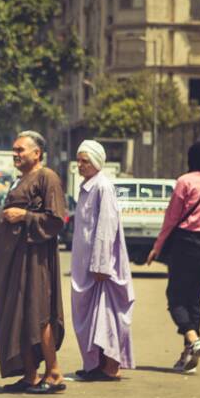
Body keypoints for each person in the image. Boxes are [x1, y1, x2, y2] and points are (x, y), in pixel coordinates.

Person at [0, 131, 67, 394]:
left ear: (37, 153)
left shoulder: (47, 177)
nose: (15, 154)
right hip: (15, 260)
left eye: (20, 149)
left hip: (36, 259)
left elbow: (57, 219)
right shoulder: (19, 181)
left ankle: (54, 372)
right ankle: (30, 374)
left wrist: (24, 216)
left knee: (39, 314)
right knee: (19, 314)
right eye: (14, 149)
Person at [146, 140, 200, 373]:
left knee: (176, 298)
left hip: (186, 245)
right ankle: (189, 356)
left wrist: (157, 247)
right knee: (195, 299)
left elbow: (171, 218)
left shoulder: (184, 182)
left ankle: (192, 337)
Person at [69, 140, 134, 381]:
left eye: (85, 161)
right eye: (79, 160)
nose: (80, 165)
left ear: (97, 162)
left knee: (105, 315)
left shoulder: (103, 187)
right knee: (91, 316)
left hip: (100, 267)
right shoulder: (86, 187)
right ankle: (95, 364)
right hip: (84, 266)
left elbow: (107, 227)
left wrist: (101, 264)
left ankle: (110, 367)